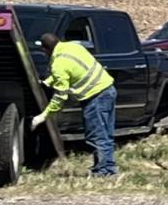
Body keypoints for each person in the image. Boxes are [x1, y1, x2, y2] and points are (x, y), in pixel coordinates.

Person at [31, 33, 118, 177]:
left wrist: (44, 115)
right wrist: (48, 82)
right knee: (106, 134)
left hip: (95, 97)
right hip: (108, 90)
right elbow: (71, 71)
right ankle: (107, 167)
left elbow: (60, 96)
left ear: (46, 50)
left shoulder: (58, 63)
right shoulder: (72, 47)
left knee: (96, 136)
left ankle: (104, 171)